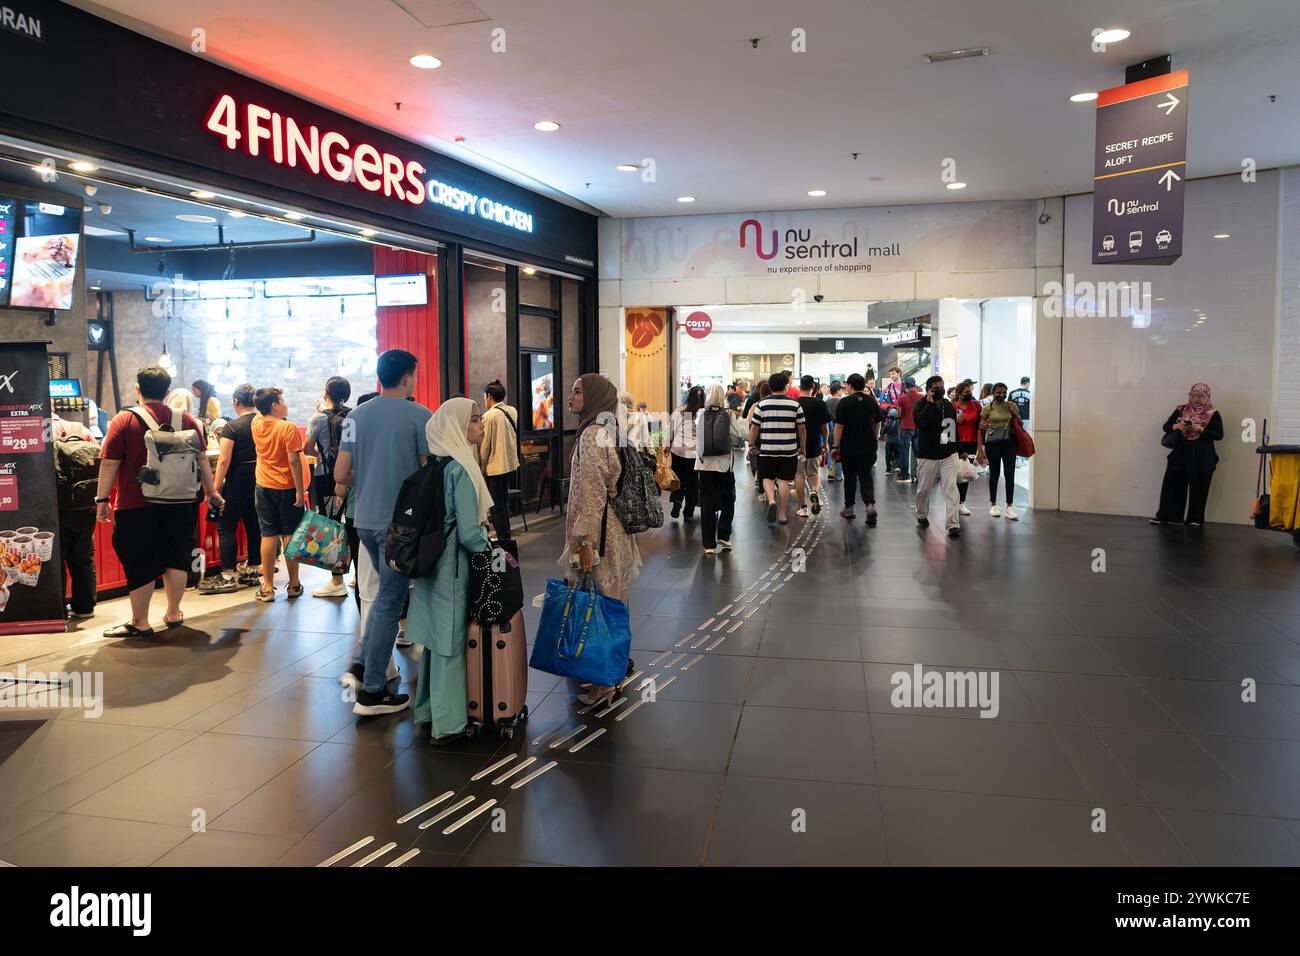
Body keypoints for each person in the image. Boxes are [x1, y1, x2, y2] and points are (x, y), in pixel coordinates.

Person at [333, 349, 430, 716]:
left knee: (384, 596)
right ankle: (373, 692)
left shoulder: (356, 416)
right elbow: (426, 474)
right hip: (400, 525)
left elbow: (342, 476)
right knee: (390, 601)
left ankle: (361, 663)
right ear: (407, 377)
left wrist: (369, 478)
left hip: (365, 521)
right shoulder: (420, 416)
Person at [95, 365, 222, 636]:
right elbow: (201, 460)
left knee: (140, 559)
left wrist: (102, 498)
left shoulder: (124, 420)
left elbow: (108, 464)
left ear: (137, 389)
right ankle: (173, 612)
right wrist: (211, 492)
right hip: (181, 501)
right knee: (176, 554)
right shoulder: (187, 419)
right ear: (167, 391)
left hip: (136, 503)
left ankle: (140, 621)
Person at [405, 397, 493, 744]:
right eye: (474, 420)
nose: (480, 425)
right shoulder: (462, 468)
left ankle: (427, 710)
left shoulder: (437, 462)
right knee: (450, 644)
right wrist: (489, 541)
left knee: (433, 641)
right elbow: (471, 534)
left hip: (430, 562)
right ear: (458, 426)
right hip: (452, 568)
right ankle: (450, 723)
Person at [564, 373, 641, 705]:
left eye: (578, 391)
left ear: (593, 397)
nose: (570, 396)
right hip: (613, 533)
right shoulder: (606, 431)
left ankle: (604, 683)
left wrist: (583, 542)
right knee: (611, 604)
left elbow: (592, 494)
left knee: (599, 607)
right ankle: (611, 674)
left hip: (599, 536)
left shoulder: (593, 435)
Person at [201, 384, 263, 593]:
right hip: (260, 478)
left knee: (226, 526)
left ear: (236, 402)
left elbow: (224, 460)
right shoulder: (264, 423)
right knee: (254, 525)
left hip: (237, 480)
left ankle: (227, 575)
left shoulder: (232, 427)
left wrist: (215, 489)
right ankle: (254, 570)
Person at [250, 387, 306, 603]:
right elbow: (294, 461)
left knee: (268, 534)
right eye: (282, 400)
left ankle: (267, 587)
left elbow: (259, 410)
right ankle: (293, 584)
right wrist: (300, 491)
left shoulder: (256, 423)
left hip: (262, 485)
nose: (285, 403)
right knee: (289, 534)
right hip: (286, 487)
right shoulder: (287, 428)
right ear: (274, 405)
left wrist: (267, 396)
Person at [302, 376, 352, 597]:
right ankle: (359, 575)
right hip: (352, 476)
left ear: (327, 393)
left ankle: (336, 581)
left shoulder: (317, 419)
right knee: (353, 521)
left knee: (332, 526)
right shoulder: (353, 417)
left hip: (326, 478)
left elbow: (307, 449)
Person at [1152, 383, 1223, 527]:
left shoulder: (1212, 413)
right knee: (1172, 485)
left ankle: (1195, 518)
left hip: (1202, 456)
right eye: (1193, 395)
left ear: (1207, 396)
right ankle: (1167, 516)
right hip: (1180, 454)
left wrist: (1201, 429)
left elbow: (1219, 435)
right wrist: (1177, 426)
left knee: (1199, 487)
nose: (1196, 399)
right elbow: (1166, 427)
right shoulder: (1181, 409)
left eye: (1201, 396)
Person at [51, 413, 98, 620]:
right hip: (84, 504)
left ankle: (58, 608)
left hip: (56, 506)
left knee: (56, 560)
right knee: (83, 556)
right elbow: (98, 459)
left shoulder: (38, 431)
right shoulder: (80, 429)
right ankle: (85, 607)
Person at [695, 383, 748, 554]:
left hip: (704, 464)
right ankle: (724, 535)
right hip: (724, 464)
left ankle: (709, 545)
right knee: (728, 499)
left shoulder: (700, 414)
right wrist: (741, 419)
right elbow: (742, 434)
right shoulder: (729, 414)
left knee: (707, 503)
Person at [749, 372, 806, 525]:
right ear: (786, 386)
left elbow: (754, 427)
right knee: (784, 481)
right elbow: (802, 429)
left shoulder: (762, 404)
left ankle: (772, 501)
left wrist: (751, 443)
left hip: (767, 448)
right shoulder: (795, 404)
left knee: (767, 478)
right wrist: (803, 447)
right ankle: (782, 515)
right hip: (789, 450)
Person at [913, 375, 962, 538]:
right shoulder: (920, 405)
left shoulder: (948, 405)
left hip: (949, 454)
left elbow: (952, 428)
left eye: (941, 386)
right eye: (936, 387)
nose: (940, 389)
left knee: (951, 489)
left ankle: (953, 525)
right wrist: (929, 403)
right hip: (928, 455)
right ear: (928, 389)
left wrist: (958, 449)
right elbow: (921, 423)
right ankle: (921, 515)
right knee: (924, 489)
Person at [833, 373, 883, 524]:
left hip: (849, 447)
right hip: (868, 446)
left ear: (849, 386)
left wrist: (835, 446)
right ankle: (870, 505)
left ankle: (849, 508)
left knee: (850, 477)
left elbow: (839, 427)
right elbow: (878, 423)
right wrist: (874, 437)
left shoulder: (845, 402)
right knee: (866, 476)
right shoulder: (872, 401)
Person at [478, 379, 520, 542]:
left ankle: (503, 540)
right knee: (502, 503)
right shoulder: (511, 411)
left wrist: (480, 467)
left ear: (489, 396)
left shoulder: (489, 416)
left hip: (495, 467)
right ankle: (506, 537)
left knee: (496, 506)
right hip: (509, 465)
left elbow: (485, 445)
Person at [976, 382, 1022, 519]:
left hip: (1009, 444)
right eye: (998, 392)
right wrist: (980, 450)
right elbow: (980, 428)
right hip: (992, 444)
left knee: (1010, 473)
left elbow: (1019, 424)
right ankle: (993, 504)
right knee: (994, 473)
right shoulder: (986, 408)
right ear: (993, 393)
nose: (1001, 395)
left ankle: (1009, 506)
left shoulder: (1011, 406)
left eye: (1003, 392)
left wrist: (1015, 413)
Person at [666, 384, 704, 522]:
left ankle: (677, 501)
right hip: (694, 453)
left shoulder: (679, 410)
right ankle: (688, 512)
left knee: (678, 479)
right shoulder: (702, 413)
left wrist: (666, 445)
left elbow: (671, 429)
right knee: (693, 483)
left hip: (678, 450)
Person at [794, 374, 830, 517]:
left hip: (797, 447)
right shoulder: (820, 404)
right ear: (813, 387)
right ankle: (814, 492)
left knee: (799, 476)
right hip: (815, 444)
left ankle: (803, 508)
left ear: (799, 387)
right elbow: (825, 427)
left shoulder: (794, 403)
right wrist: (826, 442)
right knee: (814, 473)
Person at [952, 380, 982, 516]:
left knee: (964, 474)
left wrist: (980, 448)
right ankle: (952, 501)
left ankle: (961, 503)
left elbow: (981, 423)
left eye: (970, 392)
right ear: (958, 394)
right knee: (952, 473)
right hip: (954, 442)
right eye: (966, 393)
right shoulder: (952, 405)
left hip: (971, 442)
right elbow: (944, 424)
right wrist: (954, 419)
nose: (969, 394)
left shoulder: (976, 405)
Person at [896, 376, 920, 482]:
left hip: (905, 427)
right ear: (914, 385)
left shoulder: (902, 398)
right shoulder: (921, 397)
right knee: (917, 451)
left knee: (904, 451)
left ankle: (905, 475)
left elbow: (899, 414)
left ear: (905, 385)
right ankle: (919, 474)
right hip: (917, 427)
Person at [824, 381, 844, 482]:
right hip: (839, 430)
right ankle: (838, 475)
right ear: (838, 391)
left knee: (830, 451)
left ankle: (831, 474)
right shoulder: (842, 402)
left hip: (829, 429)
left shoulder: (826, 403)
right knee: (839, 452)